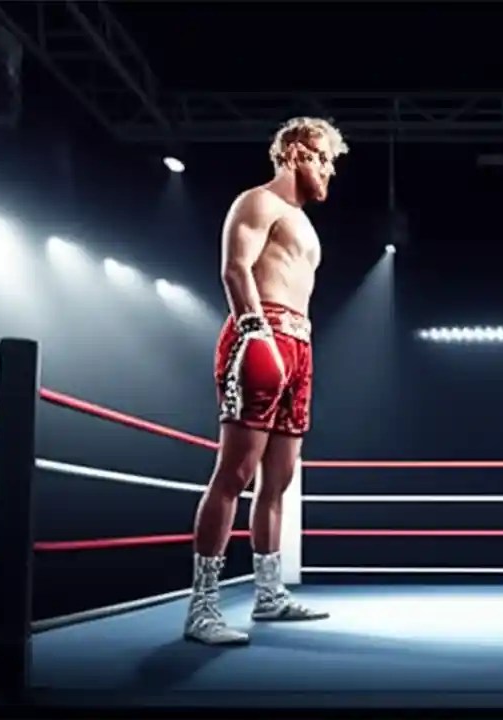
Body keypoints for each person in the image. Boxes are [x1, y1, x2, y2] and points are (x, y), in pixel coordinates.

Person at [183, 116, 349, 645]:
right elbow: (236, 268)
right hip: (263, 330)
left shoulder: (302, 221)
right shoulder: (258, 202)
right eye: (324, 158)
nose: (330, 170)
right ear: (297, 153)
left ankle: (269, 594)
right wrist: (256, 333)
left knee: (278, 479)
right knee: (234, 472)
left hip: (299, 341)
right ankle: (202, 608)